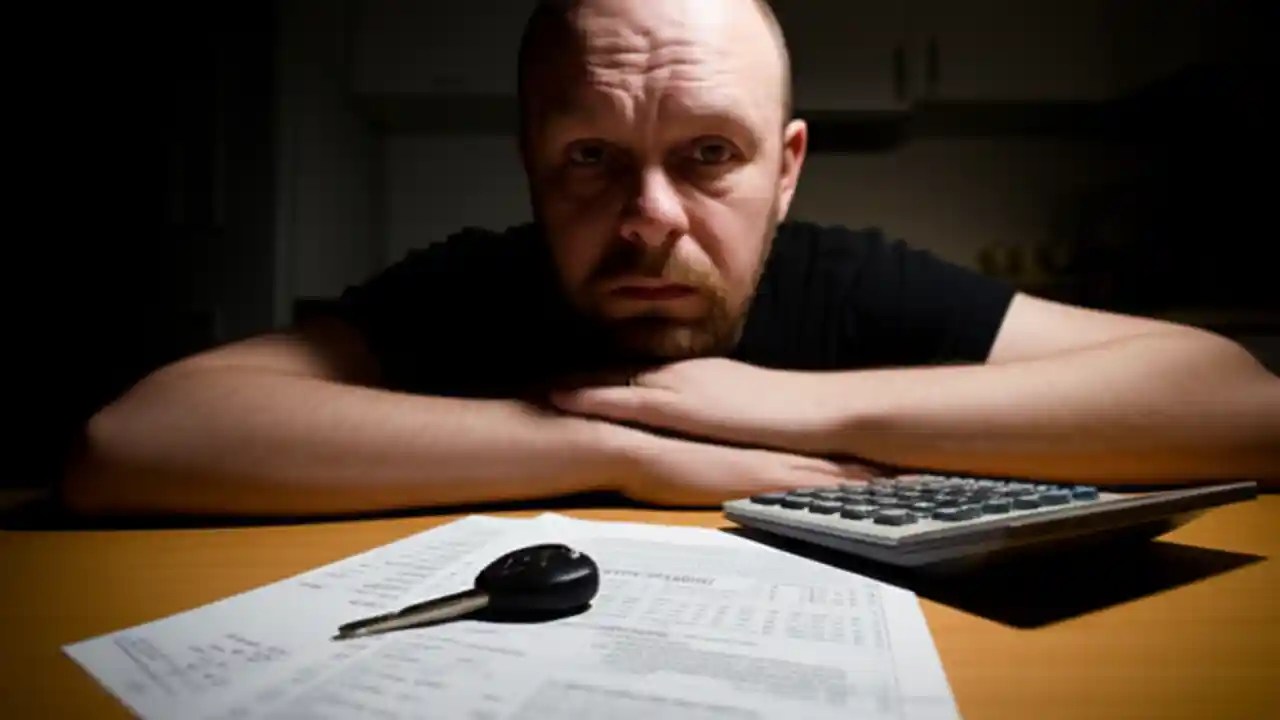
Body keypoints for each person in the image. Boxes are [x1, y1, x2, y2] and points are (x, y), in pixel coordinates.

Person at [63, 0, 1279, 516]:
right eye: (591, 158)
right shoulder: (475, 284)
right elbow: (130, 444)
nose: (649, 220)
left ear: (786, 168)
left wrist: (769, 407)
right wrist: (618, 449)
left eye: (707, 155)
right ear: (530, 161)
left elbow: (1241, 407)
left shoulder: (844, 282)